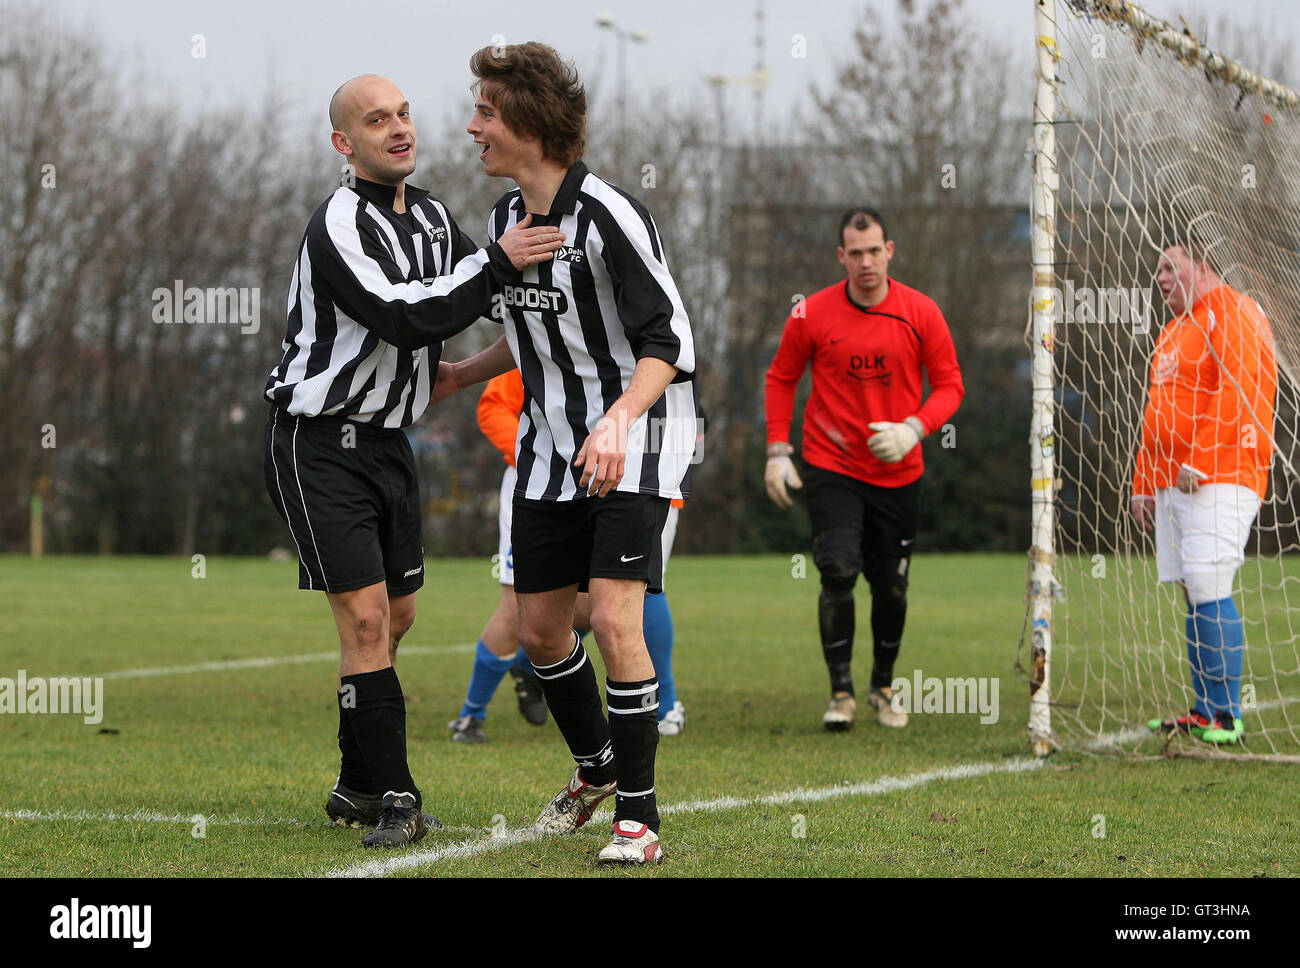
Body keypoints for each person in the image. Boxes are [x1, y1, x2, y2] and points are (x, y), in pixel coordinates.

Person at [262, 74, 563, 848]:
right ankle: (398, 797)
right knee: (364, 619)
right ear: (344, 143)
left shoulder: (430, 214)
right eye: (375, 120)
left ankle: (358, 782)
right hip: (321, 440)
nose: (398, 128)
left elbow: (486, 296)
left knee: (394, 620)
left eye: (402, 114)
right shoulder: (337, 225)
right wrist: (498, 262)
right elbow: (408, 317)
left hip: (390, 444)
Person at [433, 42, 697, 864]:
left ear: (531, 124)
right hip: (549, 451)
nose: (472, 126)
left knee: (615, 616)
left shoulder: (610, 216)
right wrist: (458, 375)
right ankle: (596, 770)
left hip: (637, 439)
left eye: (486, 111)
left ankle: (640, 821)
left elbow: (672, 340)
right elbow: (526, 335)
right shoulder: (506, 222)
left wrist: (619, 420)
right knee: (543, 632)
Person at [763, 207, 964, 731]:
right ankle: (841, 693)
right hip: (832, 464)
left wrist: (915, 428)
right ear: (841, 257)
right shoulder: (811, 313)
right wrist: (777, 450)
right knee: (836, 569)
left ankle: (882, 685)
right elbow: (781, 377)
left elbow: (950, 385)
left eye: (875, 251)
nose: (866, 262)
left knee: (891, 585)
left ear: (890, 251)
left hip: (900, 471)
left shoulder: (921, 311)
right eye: (856, 253)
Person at [447, 370, 687, 743]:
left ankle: (663, 705)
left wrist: (670, 469)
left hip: (634, 484)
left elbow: (680, 402)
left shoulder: (655, 333)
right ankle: (471, 715)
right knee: (520, 606)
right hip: (544, 488)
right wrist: (537, 459)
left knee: (626, 596)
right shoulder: (546, 325)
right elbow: (494, 404)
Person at [1135, 241, 1277, 745]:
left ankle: (1226, 715)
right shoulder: (1174, 330)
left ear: (1206, 267)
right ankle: (1204, 709)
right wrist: (1144, 484)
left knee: (1208, 580)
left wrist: (1201, 458)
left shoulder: (1233, 310)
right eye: (1158, 270)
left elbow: (1242, 387)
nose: (1162, 278)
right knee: (1193, 589)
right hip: (1176, 483)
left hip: (1223, 472)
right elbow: (1158, 411)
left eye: (1172, 267)